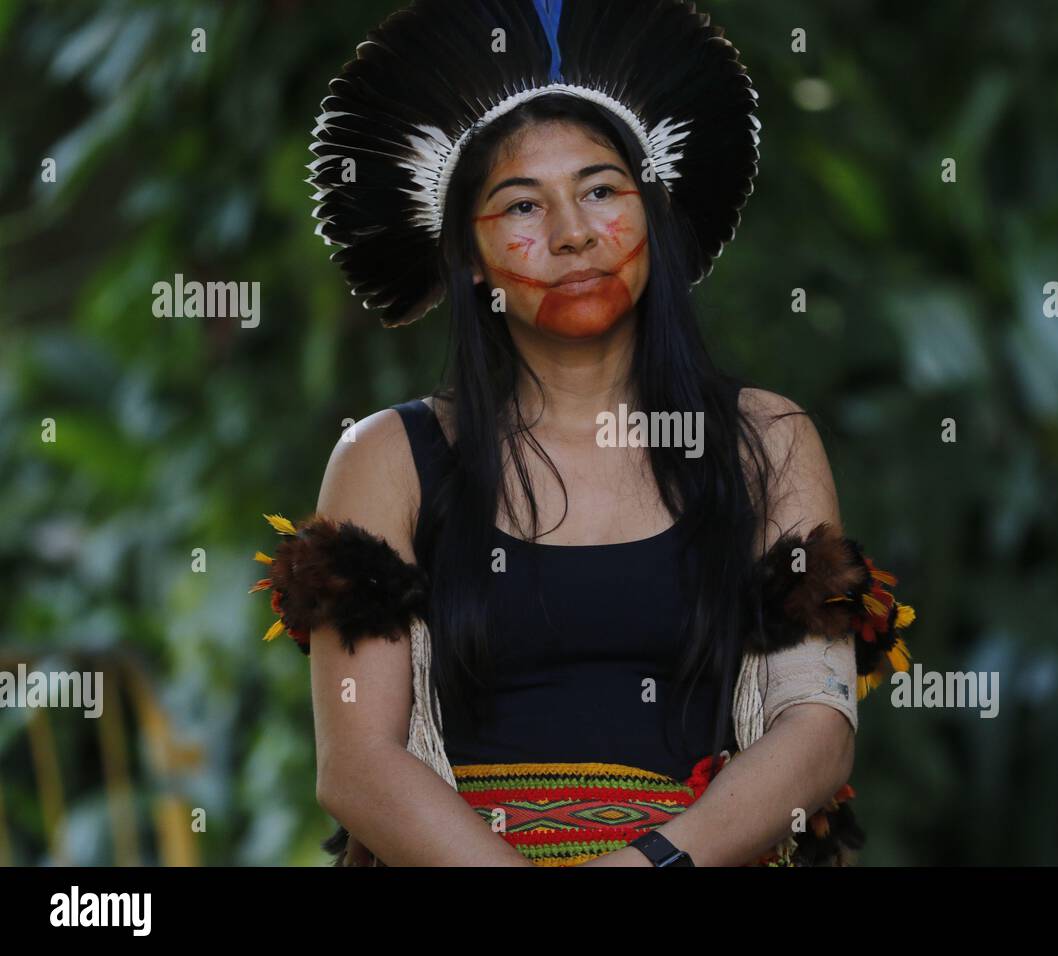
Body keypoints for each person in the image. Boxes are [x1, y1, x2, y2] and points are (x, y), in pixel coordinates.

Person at [252, 0, 915, 867]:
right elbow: (358, 767)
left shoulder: (767, 442)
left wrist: (648, 867)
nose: (572, 235)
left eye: (602, 190)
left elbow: (816, 731)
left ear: (654, 215)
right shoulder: (387, 460)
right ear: (467, 256)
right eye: (522, 207)